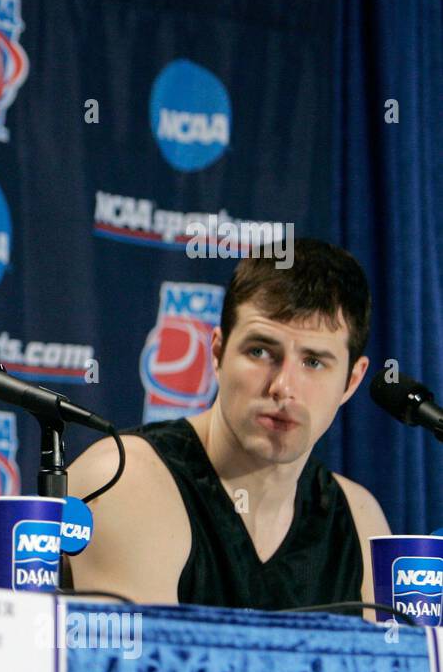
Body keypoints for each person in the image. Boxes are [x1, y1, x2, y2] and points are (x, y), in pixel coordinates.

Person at [68, 239, 390, 607]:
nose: (283, 387)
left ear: (351, 381)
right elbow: (143, 664)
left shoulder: (359, 520)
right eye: (261, 352)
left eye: (313, 362)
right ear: (218, 352)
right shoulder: (123, 479)